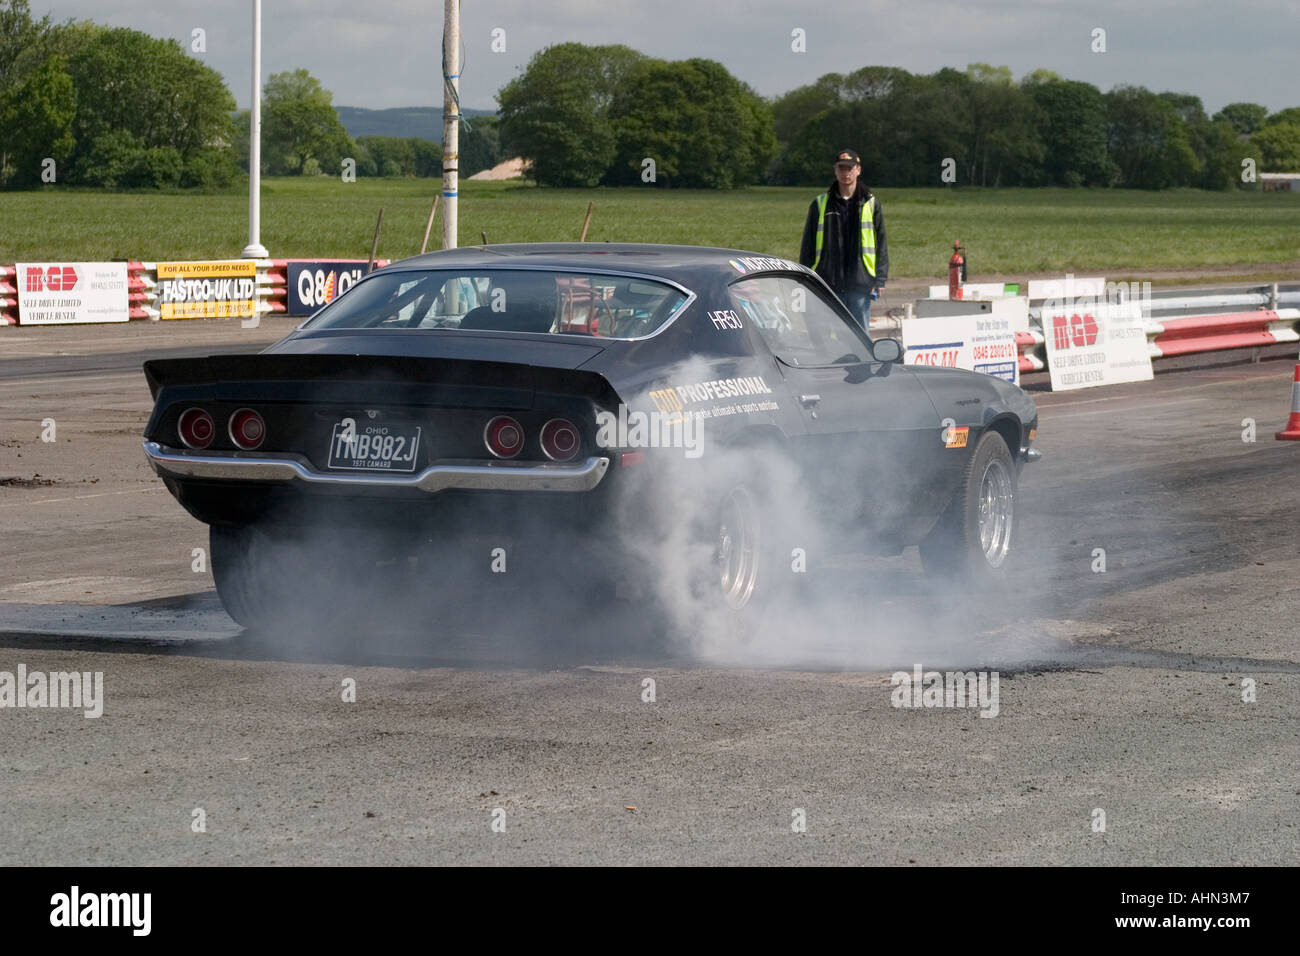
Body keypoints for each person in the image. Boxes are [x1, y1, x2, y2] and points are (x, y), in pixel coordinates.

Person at [799, 149, 889, 330]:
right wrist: (804, 277)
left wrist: (880, 278)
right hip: (827, 281)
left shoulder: (871, 204)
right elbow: (807, 245)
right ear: (835, 170)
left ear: (858, 170)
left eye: (850, 168)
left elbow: (881, 244)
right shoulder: (820, 204)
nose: (846, 173)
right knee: (829, 335)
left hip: (860, 283)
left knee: (860, 337)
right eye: (841, 168)